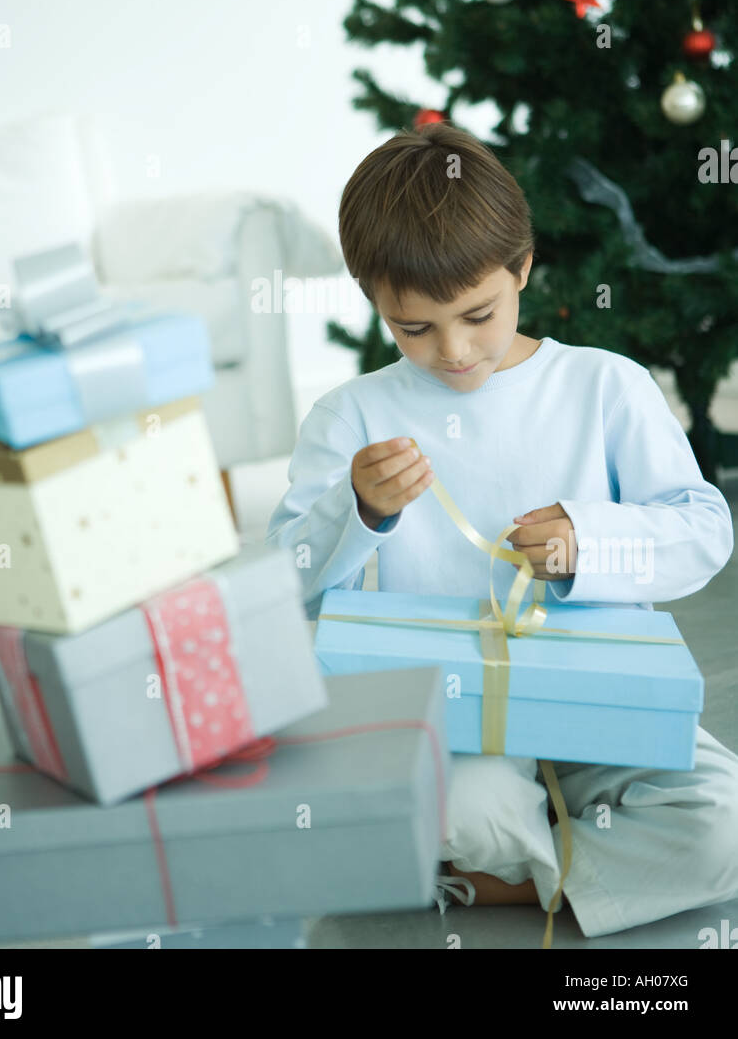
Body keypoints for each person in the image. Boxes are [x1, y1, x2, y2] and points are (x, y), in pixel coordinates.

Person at [265, 122, 738, 939]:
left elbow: (702, 531)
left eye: (477, 314)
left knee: (725, 826)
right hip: (456, 719)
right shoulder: (351, 417)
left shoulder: (603, 387)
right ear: (374, 302)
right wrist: (361, 510)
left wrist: (586, 541)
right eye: (412, 328)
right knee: (472, 808)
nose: (451, 351)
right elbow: (284, 579)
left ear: (522, 267)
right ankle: (560, 865)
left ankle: (505, 885)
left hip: (603, 700)